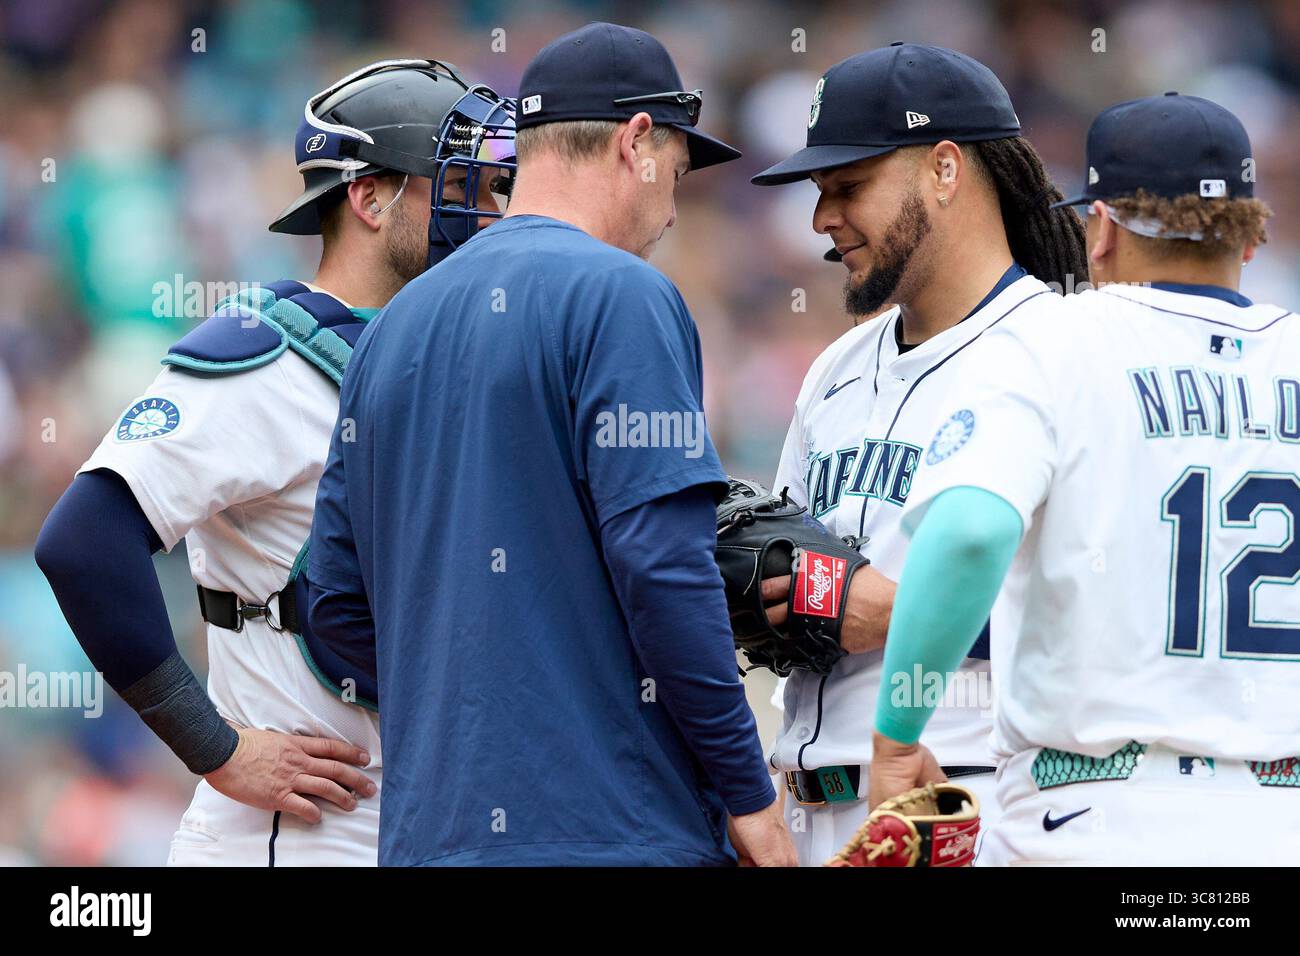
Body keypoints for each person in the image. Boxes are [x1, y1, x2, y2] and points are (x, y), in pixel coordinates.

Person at [307, 22, 795, 867]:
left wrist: (481, 696)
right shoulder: (625, 296)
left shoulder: (393, 327)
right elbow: (662, 569)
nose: (673, 210)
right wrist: (751, 794)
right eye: (676, 175)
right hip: (611, 833)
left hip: (432, 838)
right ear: (637, 142)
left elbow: (333, 604)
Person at [35, 58, 514, 865]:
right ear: (368, 197)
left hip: (429, 822)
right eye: (461, 187)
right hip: (296, 837)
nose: (490, 214)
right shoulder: (268, 359)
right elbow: (83, 542)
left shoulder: (451, 357)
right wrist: (215, 748)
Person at [870, 93, 1299, 865]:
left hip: (1091, 819)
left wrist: (897, 740)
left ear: (1100, 229)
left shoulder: (1052, 339)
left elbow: (969, 532)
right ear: (1250, 237)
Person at [748, 42, 1088, 866]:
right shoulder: (834, 368)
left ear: (944, 169)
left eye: (848, 186)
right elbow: (779, 570)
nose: (822, 218)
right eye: (820, 192)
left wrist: (895, 613)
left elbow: (1111, 606)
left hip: (967, 795)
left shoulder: (1067, 348)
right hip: (803, 805)